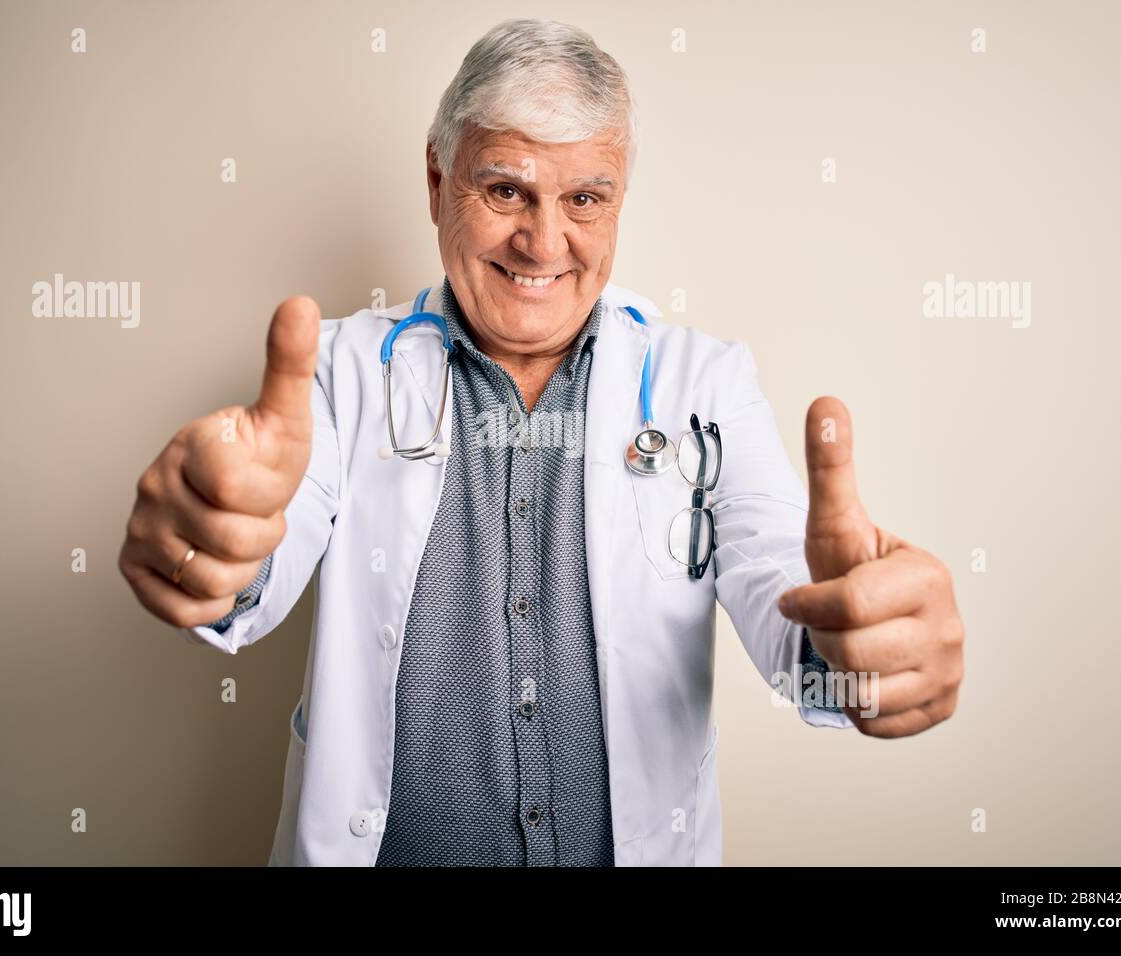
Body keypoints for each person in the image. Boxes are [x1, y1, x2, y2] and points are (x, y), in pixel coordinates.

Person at [119, 17, 964, 866]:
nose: (543, 243)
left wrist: (860, 654)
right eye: (505, 191)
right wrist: (213, 552)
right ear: (438, 179)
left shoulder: (704, 384)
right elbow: (257, 549)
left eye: (584, 200)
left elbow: (790, 596)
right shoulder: (340, 374)